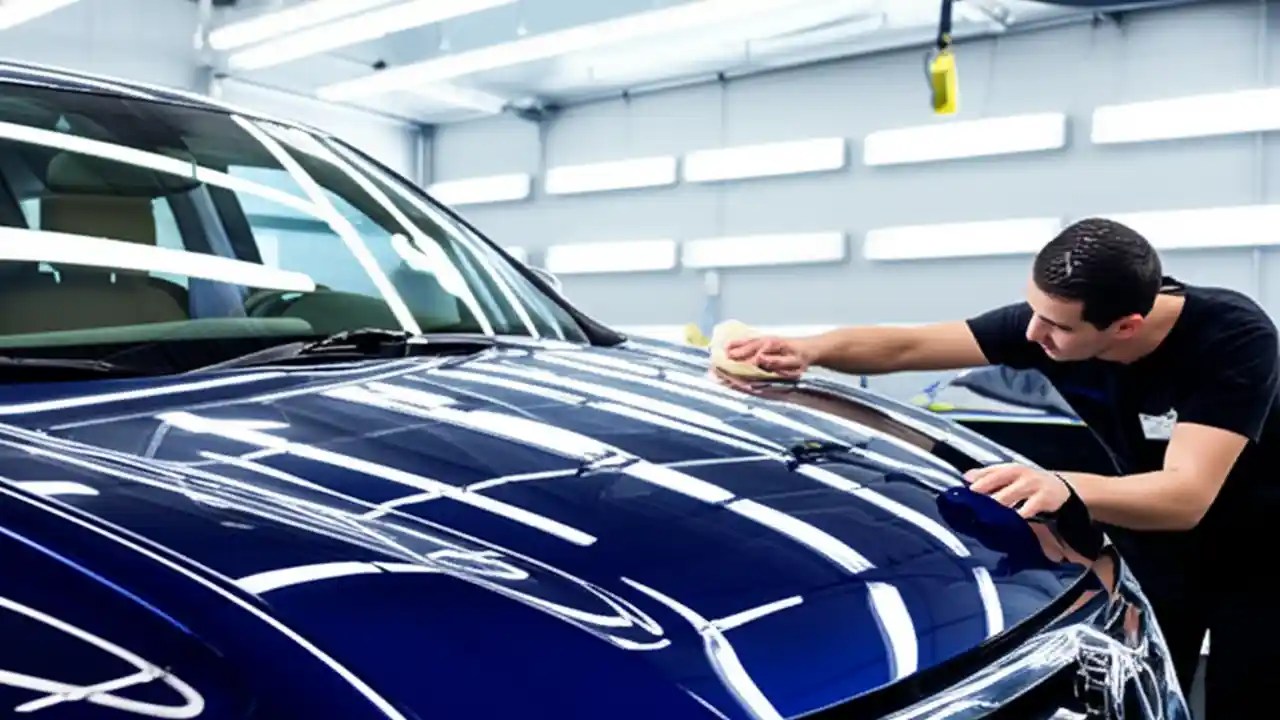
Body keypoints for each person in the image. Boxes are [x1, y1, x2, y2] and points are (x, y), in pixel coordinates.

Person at [718, 217, 1279, 717]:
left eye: (1057, 327)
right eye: (1034, 311)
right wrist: (808, 350)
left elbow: (1184, 496)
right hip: (1156, 544)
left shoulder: (1232, 338)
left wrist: (1061, 484)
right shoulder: (1048, 324)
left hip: (1260, 554)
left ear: (1127, 326)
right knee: (1143, 690)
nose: (1034, 335)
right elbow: (908, 348)